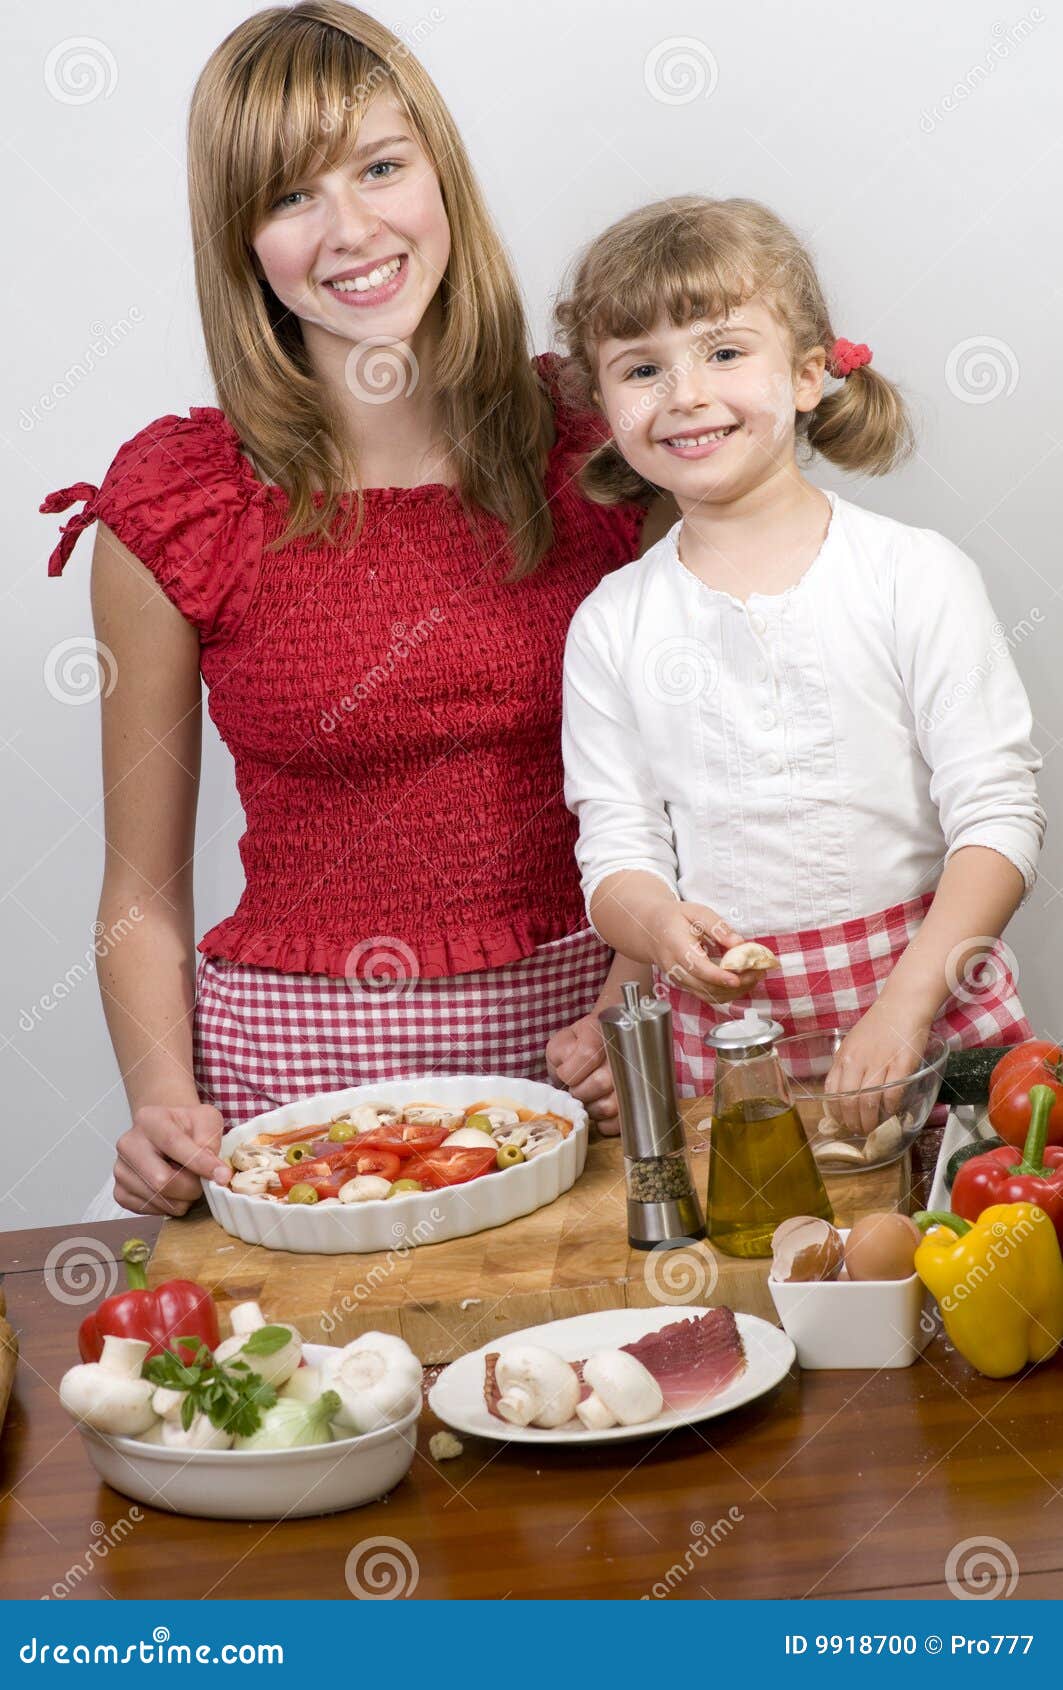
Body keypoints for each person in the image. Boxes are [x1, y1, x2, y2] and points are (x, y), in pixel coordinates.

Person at [39, 2, 666, 1218]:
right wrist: (162, 1103)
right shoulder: (178, 505)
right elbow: (140, 895)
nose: (352, 230)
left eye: (380, 167)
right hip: (296, 1082)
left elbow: (698, 792)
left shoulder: (603, 449)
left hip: (589, 1050)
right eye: (291, 196)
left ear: (441, 175)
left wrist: (628, 996)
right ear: (242, 242)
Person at [558, 194, 1045, 1121]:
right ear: (604, 408)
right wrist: (658, 927)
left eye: (724, 352)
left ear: (808, 374)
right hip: (723, 1053)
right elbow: (616, 852)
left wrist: (901, 1012)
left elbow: (998, 816)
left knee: (957, 1214)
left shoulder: (913, 575)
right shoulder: (609, 624)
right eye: (642, 369)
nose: (685, 394)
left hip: (931, 1013)